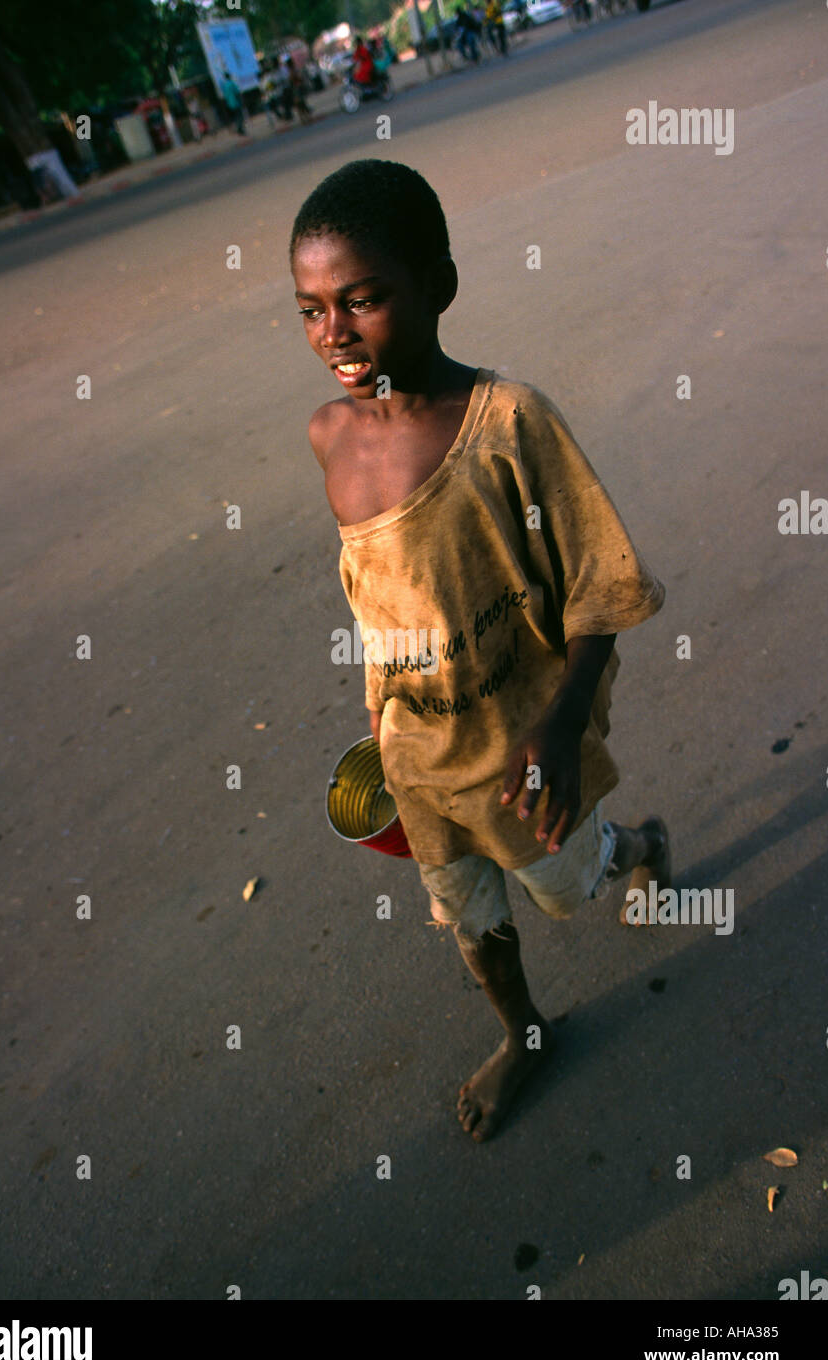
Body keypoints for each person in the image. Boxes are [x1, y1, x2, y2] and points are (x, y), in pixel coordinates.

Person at [290, 160, 669, 1144]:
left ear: (437, 287)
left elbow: (602, 581)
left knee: (563, 881)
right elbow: (376, 593)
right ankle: (525, 1033)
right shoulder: (331, 436)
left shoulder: (508, 425)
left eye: (363, 299)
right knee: (467, 915)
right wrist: (377, 706)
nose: (335, 331)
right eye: (311, 308)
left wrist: (563, 715)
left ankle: (637, 847)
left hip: (522, 749)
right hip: (420, 757)